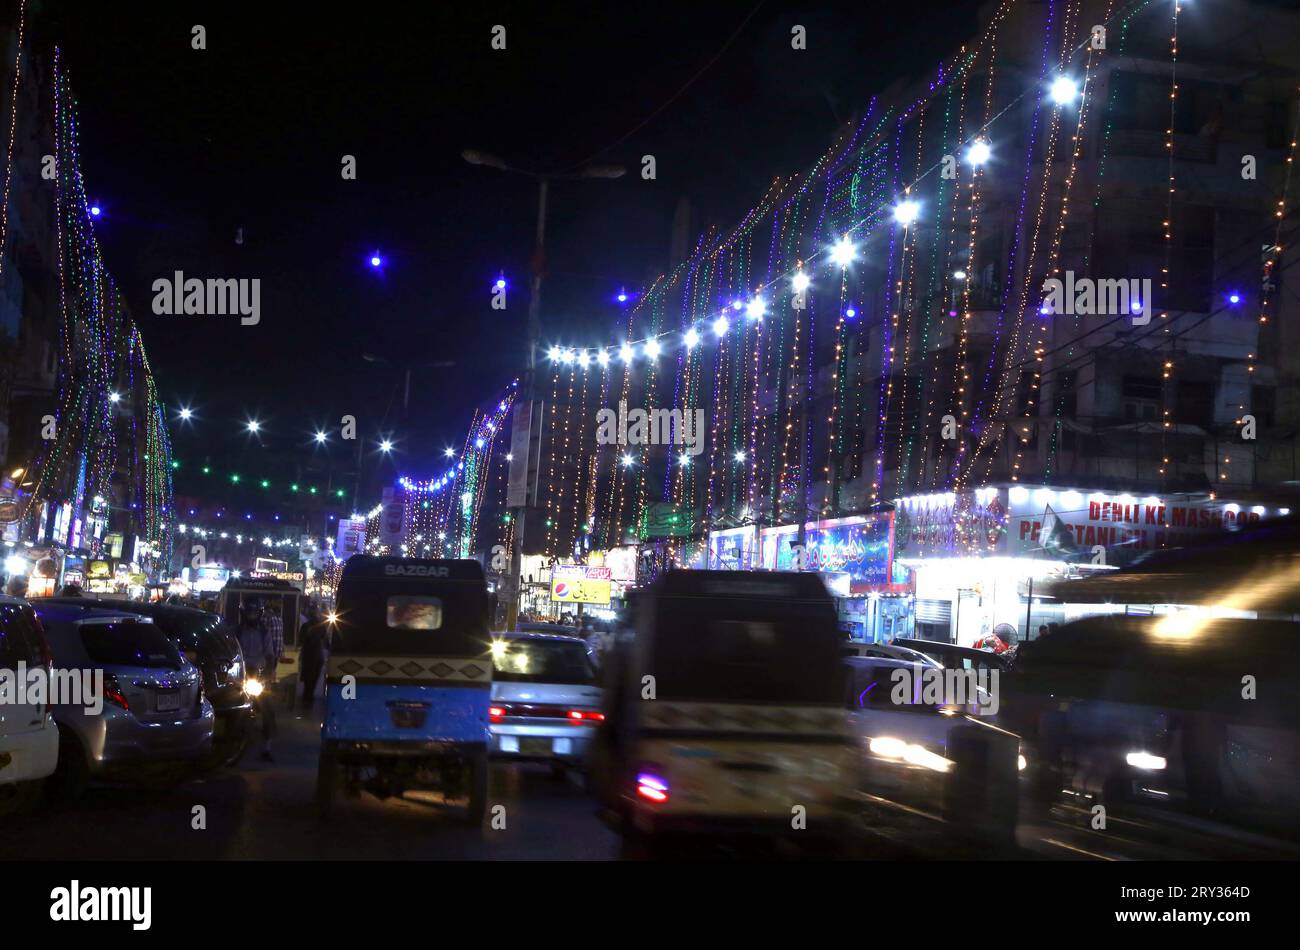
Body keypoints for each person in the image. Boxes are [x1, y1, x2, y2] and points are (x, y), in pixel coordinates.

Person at [235, 597, 277, 761]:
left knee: (268, 709)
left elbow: (270, 655)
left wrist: (268, 673)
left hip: (258, 676)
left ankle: (267, 746)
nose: (251, 616)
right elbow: (232, 654)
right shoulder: (237, 631)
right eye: (249, 612)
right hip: (241, 675)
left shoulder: (264, 632)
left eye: (254, 613)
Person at [297, 607, 330, 716]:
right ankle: (309, 696)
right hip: (317, 655)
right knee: (314, 677)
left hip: (308, 655)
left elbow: (300, 640)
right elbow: (325, 640)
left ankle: (307, 696)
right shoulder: (321, 626)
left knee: (308, 677)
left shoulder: (306, 626)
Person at [263, 597, 284, 682]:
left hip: (276, 655)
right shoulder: (267, 616)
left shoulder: (278, 617)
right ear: (271, 602)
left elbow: (280, 636)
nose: (280, 605)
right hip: (268, 654)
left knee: (271, 676)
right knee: (266, 677)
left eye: (281, 603)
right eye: (278, 602)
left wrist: (282, 651)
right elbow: (263, 634)